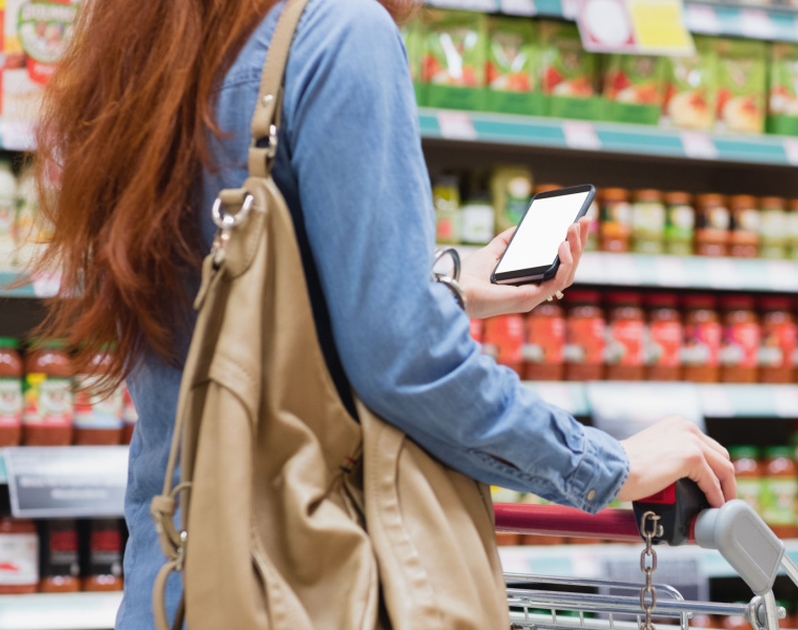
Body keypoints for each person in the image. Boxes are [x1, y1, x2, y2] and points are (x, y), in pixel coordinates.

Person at [32, 0, 737, 626]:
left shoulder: (154, 48)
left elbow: (243, 311)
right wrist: (608, 465)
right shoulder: (341, 31)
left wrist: (449, 283)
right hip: (309, 584)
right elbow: (408, 365)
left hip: (177, 577)